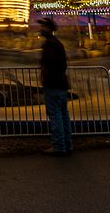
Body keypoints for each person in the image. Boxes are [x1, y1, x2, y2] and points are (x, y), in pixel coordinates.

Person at [39, 18, 72, 156]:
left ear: (48, 29)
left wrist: (45, 76)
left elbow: (50, 64)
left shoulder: (50, 45)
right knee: (63, 115)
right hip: (61, 84)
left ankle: (59, 146)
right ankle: (67, 144)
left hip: (53, 84)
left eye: (43, 27)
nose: (41, 29)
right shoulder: (59, 44)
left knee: (55, 115)